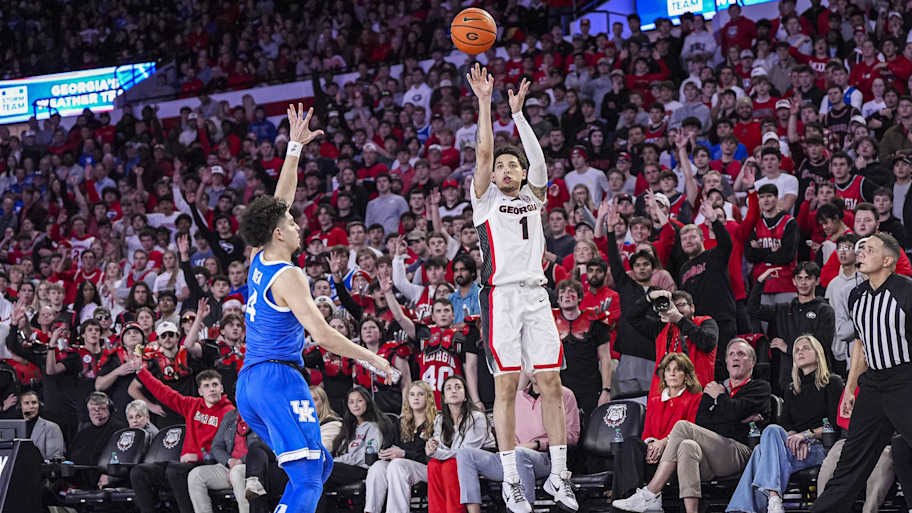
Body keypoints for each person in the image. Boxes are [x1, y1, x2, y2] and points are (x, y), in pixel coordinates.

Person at [235, 104, 394, 513]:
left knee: (318, 467)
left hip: (250, 385)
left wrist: (293, 148)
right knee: (307, 475)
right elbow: (322, 335)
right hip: (277, 379)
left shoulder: (258, 255)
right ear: (278, 234)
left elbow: (279, 202)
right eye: (290, 224)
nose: (298, 226)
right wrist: (373, 358)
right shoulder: (289, 275)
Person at [466, 64, 577, 512]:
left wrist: (519, 115)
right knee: (508, 387)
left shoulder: (534, 197)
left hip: (536, 296)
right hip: (500, 298)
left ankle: (560, 477)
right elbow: (482, 153)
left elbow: (541, 163)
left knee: (551, 382)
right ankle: (511, 477)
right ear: (493, 175)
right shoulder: (484, 200)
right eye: (503, 165)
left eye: (515, 164)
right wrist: (485, 102)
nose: (508, 168)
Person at [809, 232, 912, 513]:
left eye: (869, 248)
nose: (861, 252)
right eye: (861, 248)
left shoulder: (906, 291)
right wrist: (851, 386)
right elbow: (861, 344)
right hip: (873, 385)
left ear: (888, 260)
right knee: (850, 461)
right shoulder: (856, 295)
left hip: (905, 380)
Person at [612, 339, 771, 513]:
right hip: (711, 453)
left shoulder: (759, 387)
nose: (735, 358)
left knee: (682, 426)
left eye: (741, 354)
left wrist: (721, 398)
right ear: (725, 362)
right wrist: (735, 416)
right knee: (687, 446)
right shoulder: (713, 389)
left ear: (752, 362)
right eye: (731, 354)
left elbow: (729, 414)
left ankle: (651, 493)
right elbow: (704, 422)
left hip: (740, 453)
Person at [726, 335, 844, 513]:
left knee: (760, 451)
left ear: (818, 353)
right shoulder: (791, 389)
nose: (800, 352)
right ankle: (772, 498)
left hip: (822, 446)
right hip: (796, 447)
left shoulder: (832, 382)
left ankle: (754, 505)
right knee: (771, 432)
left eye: (805, 348)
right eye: (796, 350)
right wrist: (794, 439)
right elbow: (787, 426)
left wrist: (805, 436)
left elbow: (834, 425)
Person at [457, 371, 580, 512]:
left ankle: (528, 508)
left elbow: (572, 436)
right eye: (530, 366)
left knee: (519, 454)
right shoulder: (516, 397)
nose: (534, 369)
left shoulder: (564, 394)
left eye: (537, 363)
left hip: (545, 457)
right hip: (511, 457)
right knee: (465, 454)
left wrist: (537, 444)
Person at [129, 368, 235, 513]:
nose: (212, 389)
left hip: (209, 465)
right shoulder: (192, 405)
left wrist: (198, 456)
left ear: (222, 388)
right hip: (184, 465)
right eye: (207, 386)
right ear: (200, 391)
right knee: (139, 472)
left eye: (215, 385)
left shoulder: (229, 412)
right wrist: (141, 371)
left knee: (175, 470)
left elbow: (228, 448)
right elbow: (164, 392)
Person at [612, 353, 703, 501]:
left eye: (677, 369)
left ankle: (635, 500)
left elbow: (690, 430)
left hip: (675, 457)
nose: (672, 373)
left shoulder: (695, 398)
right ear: (664, 375)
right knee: (630, 443)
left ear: (686, 375)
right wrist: (651, 447)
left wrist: (664, 443)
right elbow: (647, 432)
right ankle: (628, 497)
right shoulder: (654, 400)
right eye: (668, 369)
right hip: (652, 455)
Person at [748, 262, 835, 391]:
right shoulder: (783, 309)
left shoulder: (824, 310)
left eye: (808, 278)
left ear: (817, 281)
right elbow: (753, 309)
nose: (803, 283)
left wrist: (788, 348)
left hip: (816, 380)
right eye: (799, 278)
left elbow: (822, 345)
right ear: (794, 281)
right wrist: (760, 282)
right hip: (787, 380)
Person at [316, 386, 393, 513]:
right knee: (316, 476)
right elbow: (342, 451)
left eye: (359, 401)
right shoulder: (348, 428)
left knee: (321, 469)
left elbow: (367, 456)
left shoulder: (375, 426)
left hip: (362, 468)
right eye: (351, 402)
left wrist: (335, 461)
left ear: (367, 402)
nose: (355, 405)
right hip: (345, 467)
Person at [365, 381, 437, 513]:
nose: (416, 398)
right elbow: (386, 445)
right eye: (412, 394)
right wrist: (384, 453)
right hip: (401, 468)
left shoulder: (436, 422)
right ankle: (370, 511)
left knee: (397, 464)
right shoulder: (401, 422)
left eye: (420, 394)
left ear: (428, 398)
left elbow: (431, 457)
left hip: (428, 469)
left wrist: (404, 453)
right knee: (378, 467)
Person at [426, 375, 494, 513]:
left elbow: (465, 453)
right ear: (444, 398)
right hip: (454, 459)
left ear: (465, 396)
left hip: (482, 459)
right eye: (449, 388)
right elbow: (440, 445)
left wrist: (436, 453)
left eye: (458, 387)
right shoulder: (440, 419)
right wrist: (431, 447)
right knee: (433, 465)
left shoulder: (477, 417)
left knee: (450, 466)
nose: (453, 391)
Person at [634, 289, 718, 396]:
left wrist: (678, 319)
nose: (676, 309)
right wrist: (649, 298)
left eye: (681, 305)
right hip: (666, 395)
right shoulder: (661, 328)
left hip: (697, 394)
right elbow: (632, 317)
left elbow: (707, 343)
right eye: (673, 305)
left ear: (692, 308)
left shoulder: (705, 322)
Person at [186, 407, 253, 513]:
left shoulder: (263, 414)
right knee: (195, 475)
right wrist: (229, 461)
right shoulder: (229, 416)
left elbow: (265, 446)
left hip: (252, 466)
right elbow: (216, 446)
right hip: (229, 466)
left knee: (236, 472)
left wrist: (240, 461)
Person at [19, 389, 65, 460]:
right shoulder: (15, 427)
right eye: (26, 403)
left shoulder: (51, 428)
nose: (31, 406)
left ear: (39, 405)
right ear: (20, 406)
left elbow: (54, 458)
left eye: (34, 403)